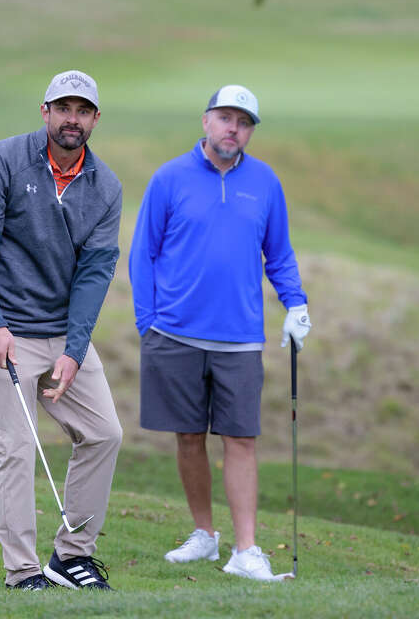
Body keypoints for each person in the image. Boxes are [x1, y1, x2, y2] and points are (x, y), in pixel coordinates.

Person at [129, 85, 313, 581]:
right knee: (188, 437)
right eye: (226, 117)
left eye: (244, 121)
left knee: (241, 439)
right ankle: (205, 536)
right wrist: (147, 323)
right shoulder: (170, 178)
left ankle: (246, 550)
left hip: (240, 337)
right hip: (175, 333)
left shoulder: (265, 182)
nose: (234, 128)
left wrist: (295, 303)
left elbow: (279, 254)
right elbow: (141, 254)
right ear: (206, 121)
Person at [0, 70, 123, 590]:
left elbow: (95, 275)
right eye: (63, 107)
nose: (72, 119)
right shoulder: (3, 161)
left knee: (104, 434)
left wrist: (75, 351)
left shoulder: (106, 187)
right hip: (0, 332)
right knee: (17, 448)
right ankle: (23, 572)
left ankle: (72, 557)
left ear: (95, 119)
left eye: (82, 110)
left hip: (58, 335)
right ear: (45, 111)